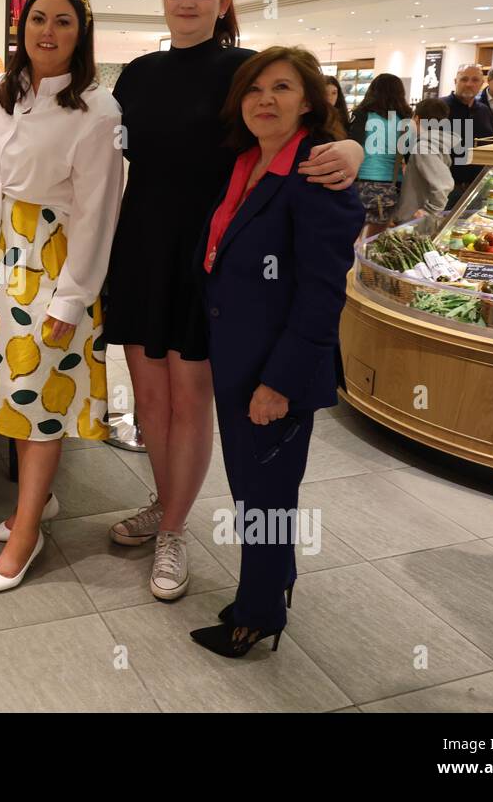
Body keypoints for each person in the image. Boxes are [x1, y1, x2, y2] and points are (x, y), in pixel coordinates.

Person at [99, 0, 364, 602]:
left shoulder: (242, 71)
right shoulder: (137, 74)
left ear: (223, 2)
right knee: (149, 400)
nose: (187, 2)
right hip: (140, 247)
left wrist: (353, 149)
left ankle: (174, 530)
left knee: (190, 400)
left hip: (210, 254)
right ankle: (164, 503)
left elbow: (309, 125)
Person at [187, 46, 363, 658]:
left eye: (282, 88)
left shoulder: (317, 176)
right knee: (255, 488)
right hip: (239, 359)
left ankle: (258, 616)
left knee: (265, 498)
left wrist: (280, 382)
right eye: (255, 88)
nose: (265, 99)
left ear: (310, 101)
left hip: (274, 371)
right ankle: (273, 584)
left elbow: (322, 295)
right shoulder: (247, 162)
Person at [0, 0, 122, 596]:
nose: (47, 32)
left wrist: (73, 297)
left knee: (36, 399)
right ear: (21, 28)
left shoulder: (98, 112)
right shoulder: (2, 91)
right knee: (11, 389)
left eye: (63, 22)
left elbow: (99, 212)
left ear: (81, 35)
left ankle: (26, 534)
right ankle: (37, 503)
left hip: (51, 260)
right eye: (38, 19)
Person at [348, 72, 412, 238]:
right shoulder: (405, 120)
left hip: (360, 181)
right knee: (375, 238)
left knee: (351, 234)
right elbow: (408, 156)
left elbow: (352, 145)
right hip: (391, 185)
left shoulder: (362, 115)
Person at [394, 97, 455, 223]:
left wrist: (429, 211)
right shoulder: (434, 143)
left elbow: (443, 185)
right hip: (418, 218)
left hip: (415, 220)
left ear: (416, 118)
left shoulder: (424, 147)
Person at [444, 63, 493, 202]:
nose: (469, 84)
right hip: (444, 190)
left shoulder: (484, 111)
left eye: (475, 80)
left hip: (477, 189)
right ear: (456, 81)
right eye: (464, 79)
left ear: (482, 84)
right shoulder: (439, 107)